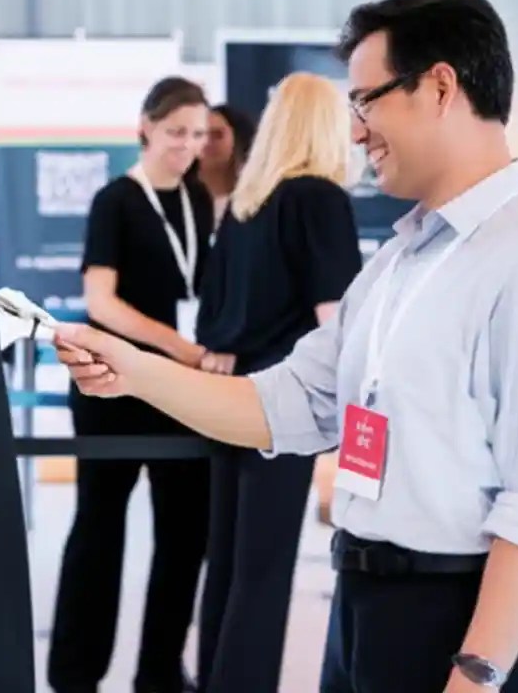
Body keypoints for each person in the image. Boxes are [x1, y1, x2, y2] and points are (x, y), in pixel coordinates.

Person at [53, 0, 518, 692]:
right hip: (366, 604)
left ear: (440, 87)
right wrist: (134, 371)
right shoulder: (402, 257)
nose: (355, 132)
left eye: (366, 101)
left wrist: (476, 672)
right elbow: (288, 403)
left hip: (465, 624)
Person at [193, 72, 361, 693]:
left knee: (229, 564)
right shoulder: (320, 199)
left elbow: (212, 316)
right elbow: (335, 318)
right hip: (282, 406)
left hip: (226, 398)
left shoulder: (245, 205)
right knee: (263, 571)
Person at [47, 76, 213, 693]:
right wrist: (179, 346)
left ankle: (160, 672)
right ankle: (74, 674)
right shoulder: (115, 200)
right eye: (176, 132)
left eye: (197, 134)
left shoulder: (199, 199)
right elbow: (102, 302)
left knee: (184, 534)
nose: (187, 145)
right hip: (111, 385)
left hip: (178, 391)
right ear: (145, 127)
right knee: (99, 525)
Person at [191, 103, 256, 227]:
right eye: (199, 134)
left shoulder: (258, 206)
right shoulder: (177, 206)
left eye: (217, 135)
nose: (206, 142)